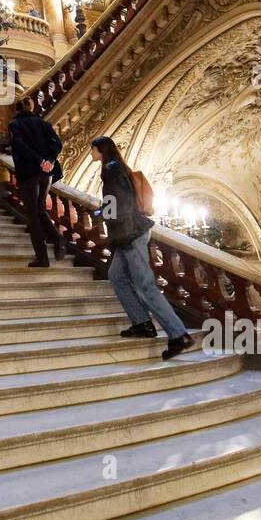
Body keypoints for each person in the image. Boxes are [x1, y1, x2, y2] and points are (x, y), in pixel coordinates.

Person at [90, 135, 193, 360]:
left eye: (93, 149)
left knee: (145, 285)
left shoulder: (111, 168)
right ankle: (142, 323)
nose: (91, 154)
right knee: (116, 276)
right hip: (129, 231)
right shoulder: (115, 166)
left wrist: (116, 227)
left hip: (130, 233)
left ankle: (178, 334)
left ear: (99, 149)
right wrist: (101, 212)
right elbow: (117, 201)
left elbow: (121, 201)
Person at [9, 99, 65, 267]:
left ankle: (43, 256)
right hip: (46, 173)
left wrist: (40, 160)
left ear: (17, 110)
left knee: (33, 216)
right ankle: (58, 240)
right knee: (40, 209)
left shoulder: (15, 124)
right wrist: (49, 161)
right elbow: (58, 144)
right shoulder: (44, 124)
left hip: (29, 173)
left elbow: (20, 146)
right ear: (32, 108)